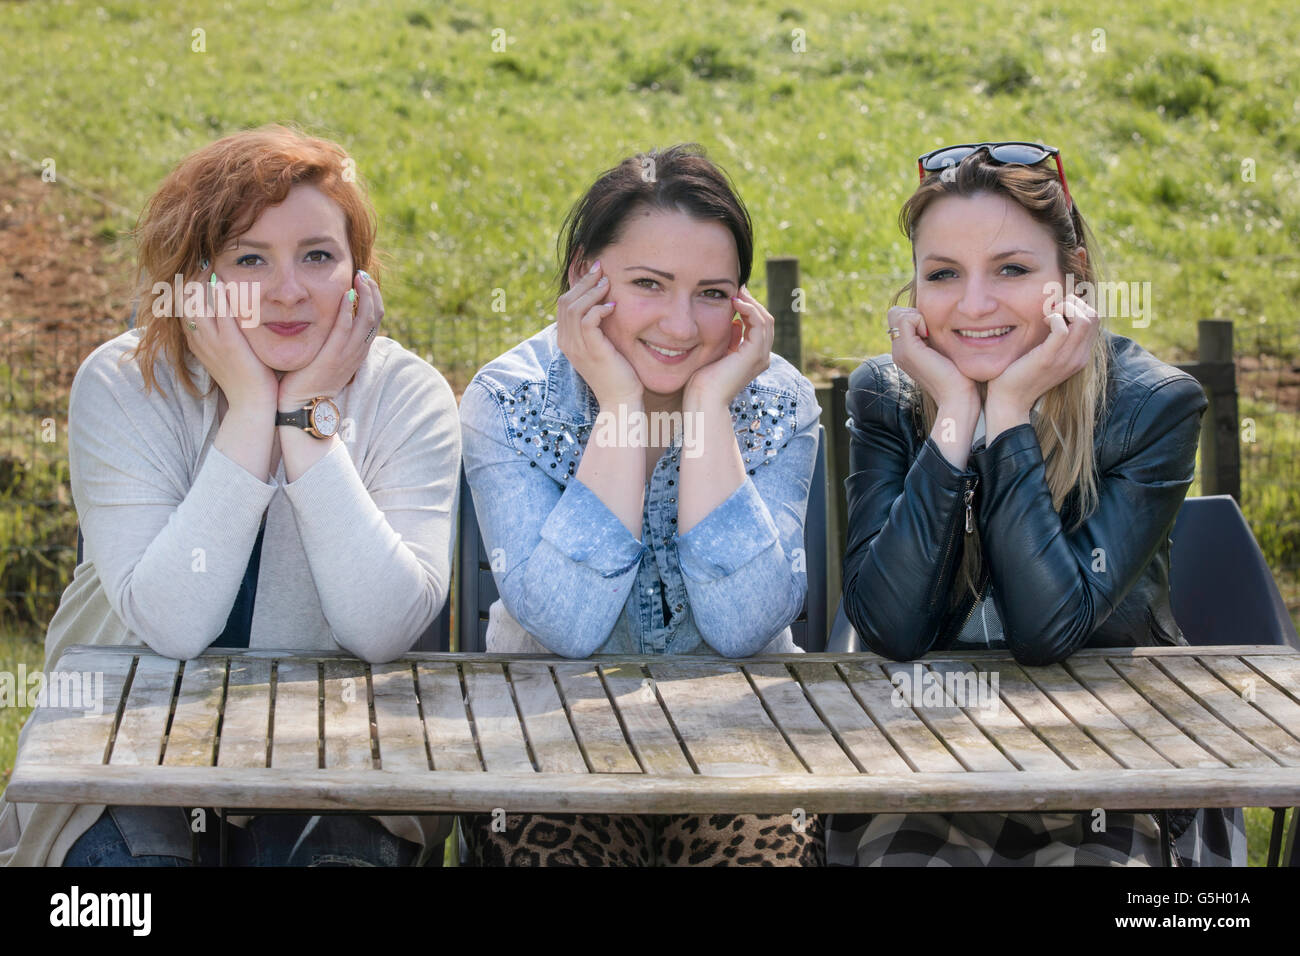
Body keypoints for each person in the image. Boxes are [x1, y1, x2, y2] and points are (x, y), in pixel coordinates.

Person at [0, 125, 460, 866]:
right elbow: (173, 624)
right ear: (196, 277)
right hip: (120, 751)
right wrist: (252, 407)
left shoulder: (409, 396)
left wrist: (305, 414)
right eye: (250, 258)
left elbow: (382, 628)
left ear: (357, 276)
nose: (287, 291)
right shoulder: (124, 383)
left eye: (317, 256)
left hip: (342, 758)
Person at [828, 141, 1245, 866]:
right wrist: (957, 413)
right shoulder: (888, 396)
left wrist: (1010, 409)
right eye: (943, 274)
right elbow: (891, 626)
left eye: (1012, 270)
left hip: (1117, 762)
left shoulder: (1153, 406)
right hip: (925, 755)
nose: (974, 304)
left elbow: (1047, 631)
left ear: (1071, 278)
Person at [458, 144, 823, 865]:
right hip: (548, 731)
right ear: (583, 276)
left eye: (712, 293)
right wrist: (622, 406)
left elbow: (743, 625)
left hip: (740, 733)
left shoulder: (778, 401)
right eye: (650, 284)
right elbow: (568, 626)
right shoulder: (507, 400)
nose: (682, 327)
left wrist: (711, 407)